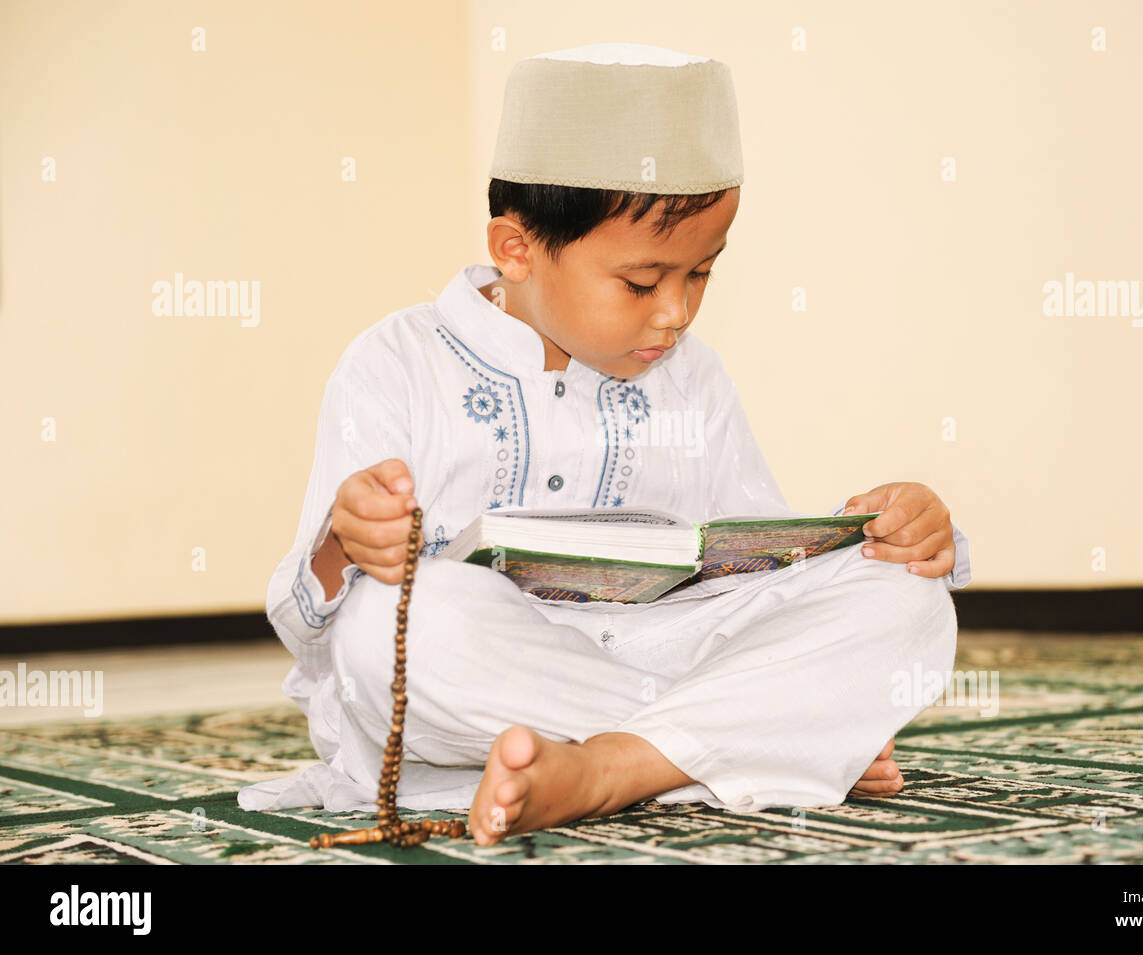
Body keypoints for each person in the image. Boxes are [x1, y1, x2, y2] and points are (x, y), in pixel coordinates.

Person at [238, 42, 971, 847]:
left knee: (906, 596)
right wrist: (347, 544)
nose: (677, 314)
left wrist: (893, 531)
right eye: (643, 282)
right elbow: (306, 625)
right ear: (515, 249)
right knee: (386, 627)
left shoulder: (693, 379)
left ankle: (609, 770)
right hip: (484, 682)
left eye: (702, 275)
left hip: (663, 654)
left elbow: (757, 566)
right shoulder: (395, 364)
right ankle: (739, 741)